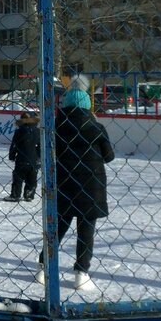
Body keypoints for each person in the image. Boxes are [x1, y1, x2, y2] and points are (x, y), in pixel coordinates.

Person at [37, 87, 115, 292]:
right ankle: (81, 273)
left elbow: (45, 153)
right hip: (91, 187)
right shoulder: (96, 127)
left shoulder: (55, 127)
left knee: (57, 228)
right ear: (88, 106)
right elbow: (109, 156)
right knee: (86, 231)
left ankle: (44, 266)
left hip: (64, 184)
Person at [7, 113, 40, 201]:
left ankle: (15, 194)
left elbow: (14, 145)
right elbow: (40, 146)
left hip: (21, 159)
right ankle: (29, 194)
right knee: (32, 178)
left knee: (18, 177)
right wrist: (39, 157)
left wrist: (12, 156)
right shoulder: (38, 131)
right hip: (34, 159)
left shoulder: (19, 131)